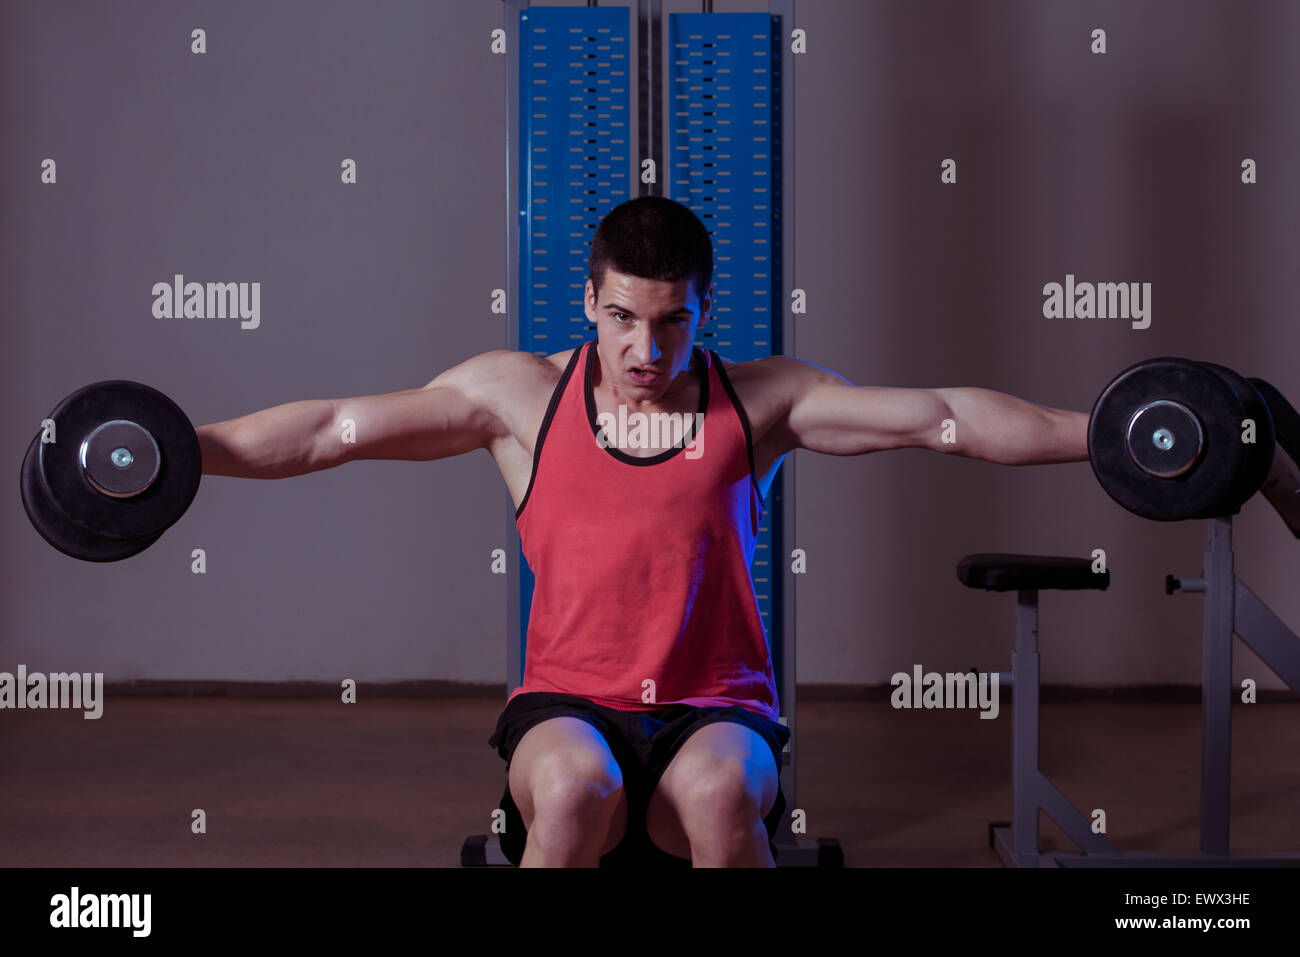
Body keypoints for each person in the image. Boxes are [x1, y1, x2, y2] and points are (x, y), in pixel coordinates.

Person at [196, 196, 1090, 867]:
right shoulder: (520, 400)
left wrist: (1116, 434)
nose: (645, 352)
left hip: (716, 709)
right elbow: (328, 430)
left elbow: (948, 418)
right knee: (574, 793)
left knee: (721, 794)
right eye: (623, 318)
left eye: (672, 322)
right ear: (589, 300)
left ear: (705, 310)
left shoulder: (764, 400)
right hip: (569, 708)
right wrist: (176, 454)